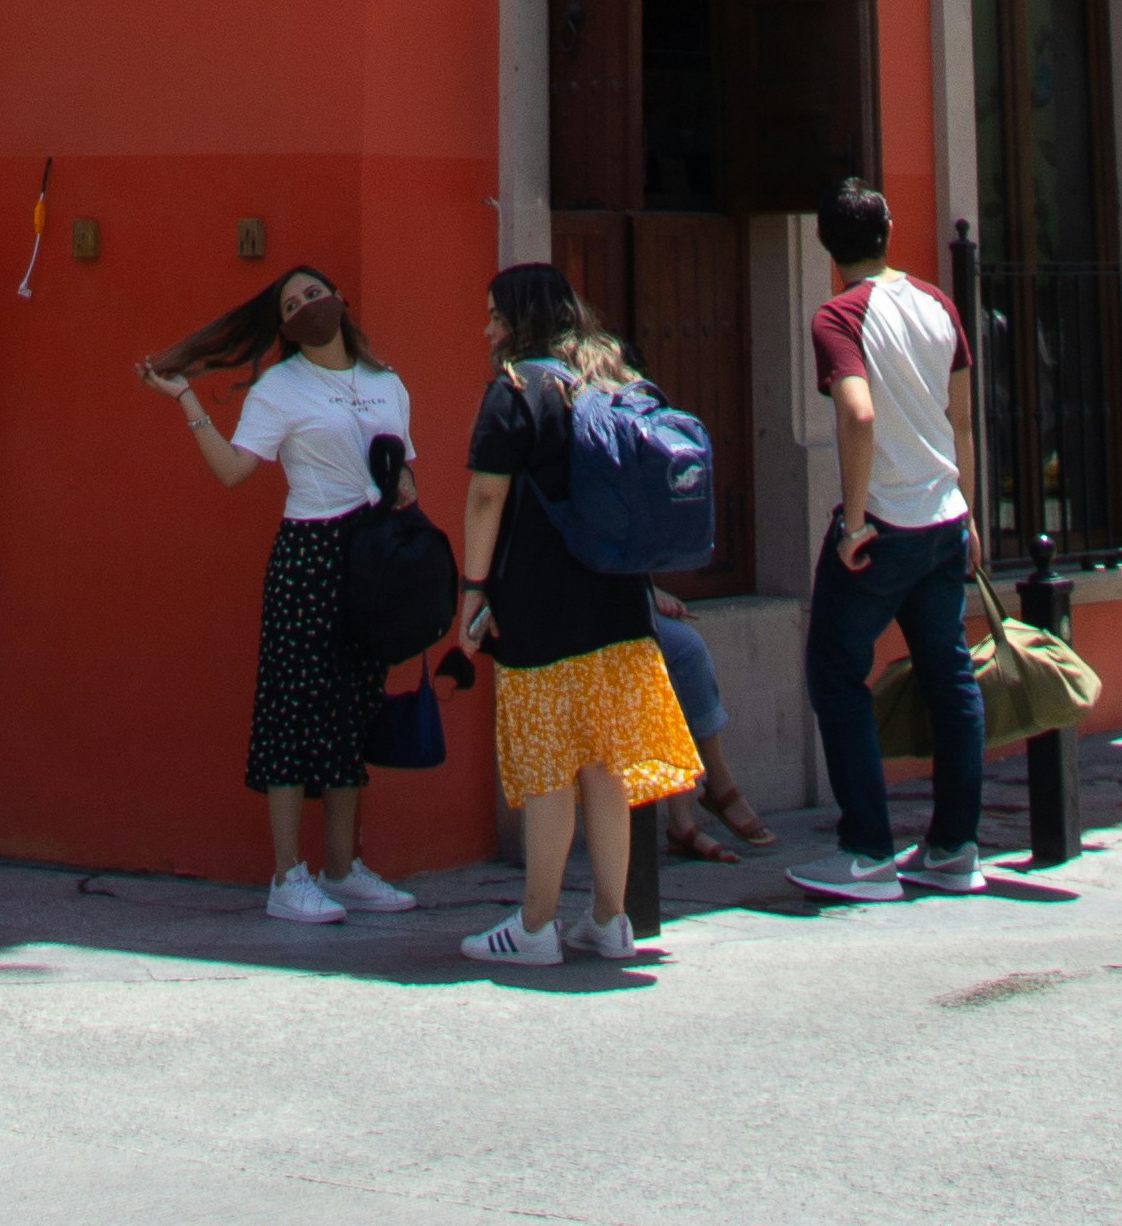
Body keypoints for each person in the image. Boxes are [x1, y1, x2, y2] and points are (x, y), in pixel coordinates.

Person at [142, 260, 420, 922]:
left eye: (314, 293)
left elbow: (404, 468)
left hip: (370, 553)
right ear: (285, 327)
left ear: (339, 299)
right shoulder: (279, 387)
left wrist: (405, 500)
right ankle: (286, 875)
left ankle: (343, 867)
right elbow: (237, 470)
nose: (307, 306)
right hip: (308, 552)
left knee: (355, 704)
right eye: (293, 304)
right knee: (291, 708)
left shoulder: (388, 384)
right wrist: (187, 402)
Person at [455, 262, 701, 970]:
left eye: (496, 314)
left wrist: (473, 592)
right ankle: (610, 918)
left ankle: (535, 926)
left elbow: (484, 500)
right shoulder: (611, 375)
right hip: (618, 597)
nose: (488, 327)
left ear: (523, 319)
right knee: (604, 765)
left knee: (547, 766)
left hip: (538, 601)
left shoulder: (514, 390)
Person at [789, 175, 986, 901]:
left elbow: (858, 415)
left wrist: (854, 521)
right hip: (944, 517)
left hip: (886, 526)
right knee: (949, 673)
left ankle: (868, 849)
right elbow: (961, 418)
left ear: (824, 244)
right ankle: (954, 848)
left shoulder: (838, 318)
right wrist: (969, 512)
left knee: (835, 672)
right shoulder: (937, 303)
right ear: (890, 229)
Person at [649, 606, 776, 856]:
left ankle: (711, 789)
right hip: (588, 598)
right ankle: (688, 817)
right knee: (661, 663)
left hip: (626, 591)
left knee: (688, 652)